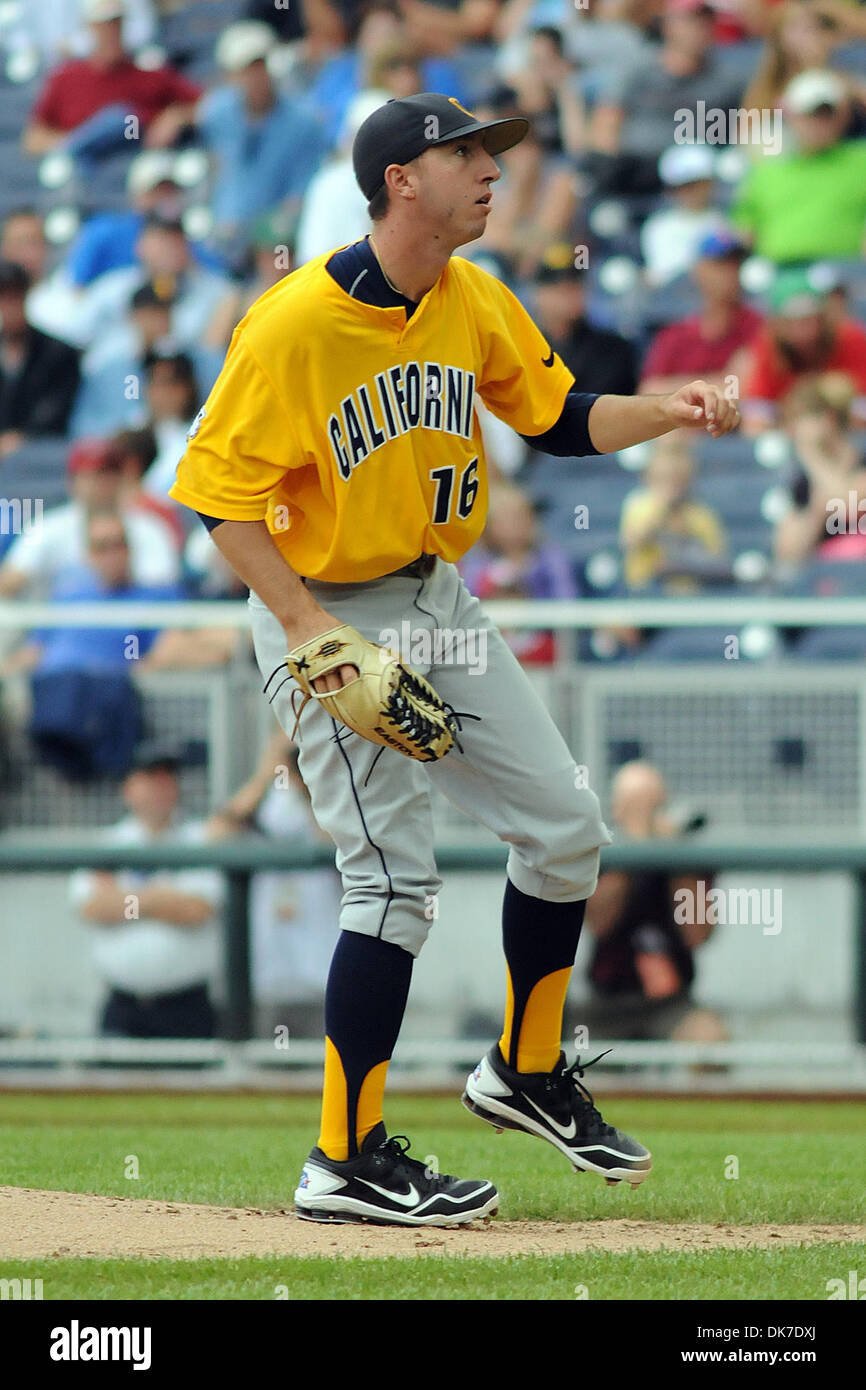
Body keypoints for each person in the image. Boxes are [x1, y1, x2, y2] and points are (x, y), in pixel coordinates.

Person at [169, 91, 739, 1227]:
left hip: (436, 597)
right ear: (399, 182)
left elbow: (561, 415)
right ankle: (343, 1156)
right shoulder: (291, 325)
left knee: (569, 830)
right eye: (466, 154)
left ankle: (523, 1071)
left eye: (493, 154)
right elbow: (213, 498)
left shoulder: (471, 293)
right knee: (390, 885)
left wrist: (665, 410)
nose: (491, 171)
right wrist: (300, 627)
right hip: (324, 607)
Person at [68, 740, 222, 1038]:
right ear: (128, 787)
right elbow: (91, 907)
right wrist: (161, 897)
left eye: (168, 777)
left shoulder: (199, 839)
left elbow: (196, 910)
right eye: (151, 777)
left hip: (187, 1008)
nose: (161, 787)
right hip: (123, 1007)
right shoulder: (110, 843)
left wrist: (126, 900)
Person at [577, 762, 726, 1044]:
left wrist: (673, 856)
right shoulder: (601, 856)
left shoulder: (687, 861)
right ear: (618, 811)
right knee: (561, 1054)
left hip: (671, 1004)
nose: (648, 815)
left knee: (711, 1040)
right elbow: (599, 923)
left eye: (655, 806)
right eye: (637, 807)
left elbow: (697, 934)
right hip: (606, 1003)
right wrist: (635, 849)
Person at [0, 437, 181, 598]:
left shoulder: (150, 527)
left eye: (108, 474)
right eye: (90, 475)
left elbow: (162, 592)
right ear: (73, 481)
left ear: (122, 479)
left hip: (134, 627)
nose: (99, 484)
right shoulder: (48, 526)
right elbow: (11, 579)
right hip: (62, 628)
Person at [23, 0, 201, 163]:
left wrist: (176, 115)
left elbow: (208, 106)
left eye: (117, 24)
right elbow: (34, 140)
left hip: (136, 158)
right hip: (87, 168)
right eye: (105, 26)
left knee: (126, 120)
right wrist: (81, 140)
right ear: (91, 28)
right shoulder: (65, 78)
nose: (112, 32)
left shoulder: (151, 74)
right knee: (118, 119)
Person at [731, 70, 866, 264]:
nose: (818, 123)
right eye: (810, 114)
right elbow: (743, 232)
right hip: (778, 274)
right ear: (790, 115)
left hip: (847, 273)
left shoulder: (861, 161)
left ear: (842, 115)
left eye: (826, 113)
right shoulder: (766, 171)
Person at [740, 268, 866, 433]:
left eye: (811, 319)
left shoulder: (851, 338)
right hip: (789, 431)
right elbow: (756, 412)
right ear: (779, 325)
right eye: (794, 322)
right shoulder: (769, 348)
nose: (805, 330)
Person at [639, 230, 763, 397]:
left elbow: (747, 389)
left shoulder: (757, 327)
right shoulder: (675, 336)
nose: (730, 273)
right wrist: (721, 381)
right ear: (699, 270)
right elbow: (649, 393)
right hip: (686, 422)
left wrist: (678, 389)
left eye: (736, 264)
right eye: (720, 264)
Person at [620, 433, 728, 592]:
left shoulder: (701, 514)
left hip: (690, 597)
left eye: (678, 478)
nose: (673, 469)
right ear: (650, 474)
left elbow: (718, 559)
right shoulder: (640, 504)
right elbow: (631, 541)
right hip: (644, 593)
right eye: (666, 477)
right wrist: (663, 510)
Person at [530, 240, 637, 398]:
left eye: (575, 286)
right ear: (538, 295)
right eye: (558, 289)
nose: (569, 296)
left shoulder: (613, 349)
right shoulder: (525, 346)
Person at [0, 260, 81, 455]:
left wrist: (24, 436)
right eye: (3, 298)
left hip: (42, 452)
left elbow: (57, 407)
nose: (8, 306)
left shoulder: (59, 353)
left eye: (14, 297)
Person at [640, 145, 726, 289]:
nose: (691, 192)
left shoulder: (723, 224)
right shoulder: (658, 227)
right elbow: (658, 277)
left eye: (697, 184)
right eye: (684, 186)